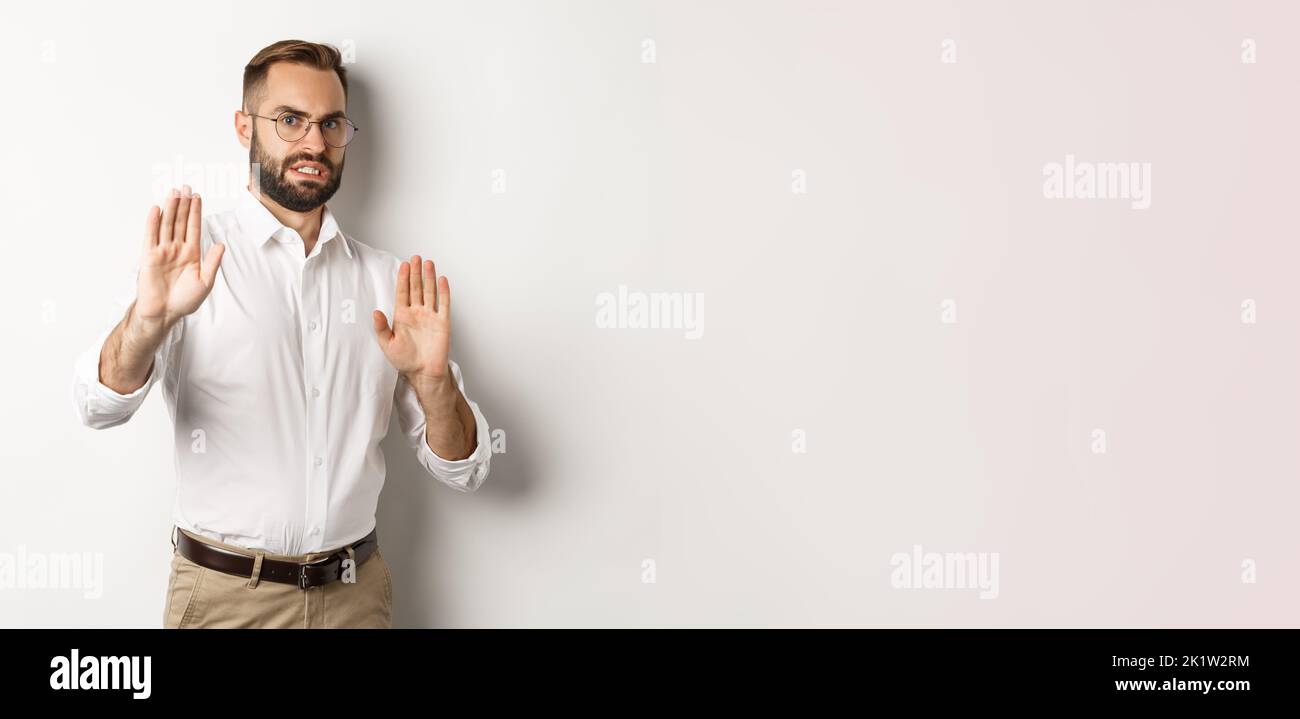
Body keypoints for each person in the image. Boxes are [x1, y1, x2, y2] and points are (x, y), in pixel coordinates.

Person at [71, 39, 491, 628]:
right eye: (289, 120)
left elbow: (464, 469)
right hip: (226, 601)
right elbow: (97, 407)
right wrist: (148, 321)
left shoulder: (388, 281)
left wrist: (433, 380)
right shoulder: (189, 262)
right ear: (245, 127)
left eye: (331, 124)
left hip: (356, 597)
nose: (314, 143)